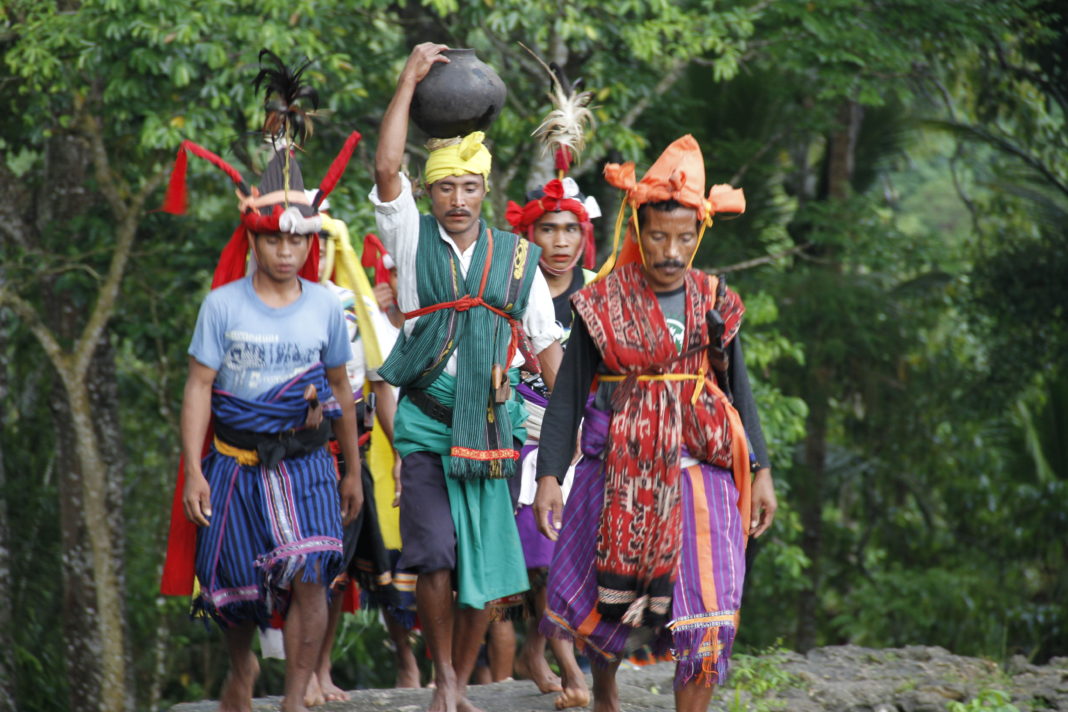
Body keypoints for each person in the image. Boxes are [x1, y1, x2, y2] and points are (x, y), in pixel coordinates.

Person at [533, 135, 778, 712]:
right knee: (605, 599)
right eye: (659, 237)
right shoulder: (601, 304)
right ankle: (606, 691)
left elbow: (739, 388)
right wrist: (548, 475)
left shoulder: (715, 299)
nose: (671, 251)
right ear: (639, 231)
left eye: (684, 238)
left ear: (699, 235)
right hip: (619, 468)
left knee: (708, 616)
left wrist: (762, 469)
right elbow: (568, 394)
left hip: (702, 470)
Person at [159, 55, 365, 712]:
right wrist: (194, 469)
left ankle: (295, 694)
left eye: (297, 242)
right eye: (274, 242)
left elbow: (340, 389)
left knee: (311, 575)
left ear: (311, 242)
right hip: (235, 463)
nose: (286, 252)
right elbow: (198, 389)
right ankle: (242, 669)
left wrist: (352, 472)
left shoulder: (327, 307)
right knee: (233, 589)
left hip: (305, 461)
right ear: (255, 240)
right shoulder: (222, 306)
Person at [370, 42, 563, 712]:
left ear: (486, 191)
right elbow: (386, 164)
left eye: (470, 186)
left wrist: (561, 455)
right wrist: (408, 81)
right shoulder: (408, 239)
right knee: (434, 556)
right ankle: (446, 680)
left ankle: (458, 668)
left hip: (492, 424)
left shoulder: (517, 261)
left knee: (486, 567)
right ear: (429, 192)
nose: (457, 199)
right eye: (445, 186)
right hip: (424, 421)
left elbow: (547, 352)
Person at [500, 176, 600, 708]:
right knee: (542, 554)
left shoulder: (598, 292)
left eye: (569, 230)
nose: (560, 241)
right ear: (528, 233)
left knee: (572, 554)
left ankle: (536, 650)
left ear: (584, 237)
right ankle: (566, 664)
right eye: (548, 229)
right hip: (522, 439)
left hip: (586, 440)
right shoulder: (509, 288)